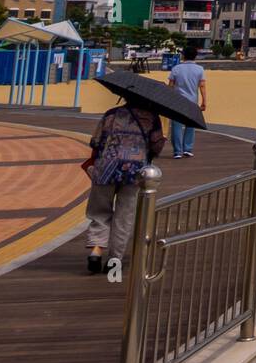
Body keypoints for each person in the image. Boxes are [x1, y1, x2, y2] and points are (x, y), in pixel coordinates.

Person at [85, 102, 165, 273]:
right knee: (125, 215)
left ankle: (96, 251)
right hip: (135, 172)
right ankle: (115, 259)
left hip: (106, 168)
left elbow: (95, 141)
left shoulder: (111, 113)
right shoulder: (152, 118)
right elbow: (157, 146)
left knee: (99, 211)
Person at [167, 45, 207, 158]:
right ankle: (188, 148)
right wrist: (204, 101)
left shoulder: (176, 68)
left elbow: (171, 86)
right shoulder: (199, 69)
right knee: (190, 125)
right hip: (192, 100)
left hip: (177, 100)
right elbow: (202, 86)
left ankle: (177, 151)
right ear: (195, 56)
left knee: (177, 126)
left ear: (183, 55)